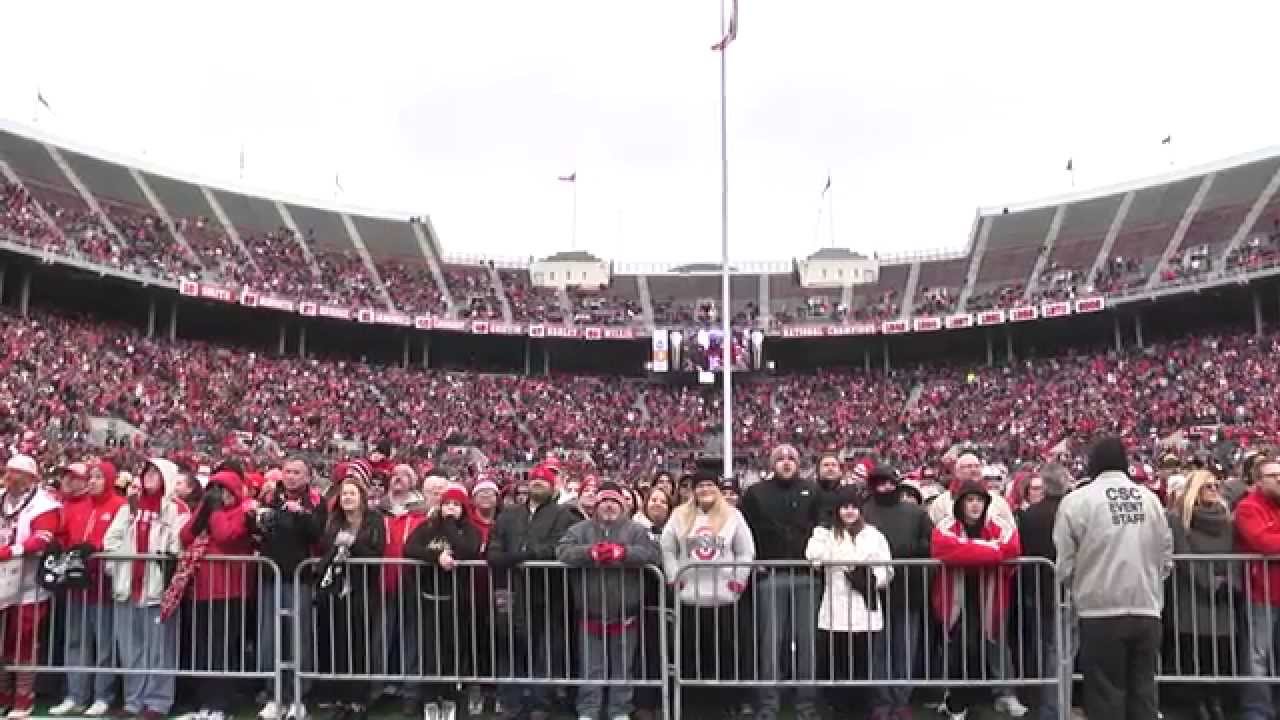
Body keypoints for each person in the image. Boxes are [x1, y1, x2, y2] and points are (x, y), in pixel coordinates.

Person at [1055, 435, 1172, 720]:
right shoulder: (1149, 500)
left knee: (1106, 692)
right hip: (1146, 606)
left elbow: (1065, 562)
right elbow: (1166, 556)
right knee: (1143, 690)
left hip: (1100, 608)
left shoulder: (1076, 501)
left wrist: (1077, 588)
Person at [557, 481, 661, 720]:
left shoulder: (636, 530)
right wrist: (589, 553)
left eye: (614, 502)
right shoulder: (580, 530)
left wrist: (623, 553)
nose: (609, 506)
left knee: (622, 667)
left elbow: (653, 554)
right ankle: (589, 710)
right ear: (596, 505)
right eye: (604, 501)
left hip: (626, 612)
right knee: (590, 667)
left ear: (622, 505)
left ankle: (619, 709)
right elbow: (562, 551)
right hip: (589, 611)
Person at [486, 462, 578, 720]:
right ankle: (510, 701)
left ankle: (541, 702)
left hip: (548, 592)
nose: (537, 484)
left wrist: (521, 555)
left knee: (545, 648)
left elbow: (557, 547)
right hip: (512, 591)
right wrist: (512, 558)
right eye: (534, 480)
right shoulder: (508, 515)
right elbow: (493, 549)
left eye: (543, 481)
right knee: (509, 646)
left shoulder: (563, 515)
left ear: (552, 487)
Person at [659, 470, 755, 716]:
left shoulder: (733, 515)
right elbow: (667, 548)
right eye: (699, 486)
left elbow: (745, 551)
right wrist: (673, 577)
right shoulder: (680, 515)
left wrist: (739, 580)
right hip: (690, 599)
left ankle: (724, 705)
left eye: (709, 485)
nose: (704, 490)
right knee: (690, 654)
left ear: (717, 488)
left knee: (725, 654)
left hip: (723, 599)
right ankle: (692, 706)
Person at [740, 443, 823, 720]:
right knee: (770, 645)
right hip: (770, 577)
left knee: (807, 643)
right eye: (780, 458)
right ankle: (768, 704)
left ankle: (806, 705)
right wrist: (755, 564)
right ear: (771, 464)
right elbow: (744, 532)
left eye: (791, 458)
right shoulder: (755, 494)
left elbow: (822, 529)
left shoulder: (813, 491)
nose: (786, 462)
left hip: (806, 577)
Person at [102, 458, 188, 720]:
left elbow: (177, 545)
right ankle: (133, 702)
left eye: (155, 471)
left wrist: (159, 563)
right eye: (146, 471)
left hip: (156, 589)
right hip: (127, 587)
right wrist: (124, 562)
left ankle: (157, 703)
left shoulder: (176, 509)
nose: (149, 475)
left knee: (159, 650)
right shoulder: (129, 507)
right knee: (130, 648)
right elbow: (110, 539)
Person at [931, 480, 1022, 720]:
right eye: (970, 500)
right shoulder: (945, 526)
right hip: (956, 601)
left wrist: (970, 550)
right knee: (957, 649)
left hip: (992, 598)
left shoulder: (999, 525)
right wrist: (991, 551)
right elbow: (944, 549)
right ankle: (954, 701)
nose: (975, 505)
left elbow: (1011, 549)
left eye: (979, 500)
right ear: (960, 503)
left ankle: (1004, 695)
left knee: (997, 646)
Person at [805, 485, 892, 712]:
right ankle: (836, 709)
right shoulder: (824, 533)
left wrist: (871, 580)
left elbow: (887, 568)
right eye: (844, 507)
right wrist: (849, 562)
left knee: (862, 665)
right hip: (835, 611)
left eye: (854, 507)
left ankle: (861, 710)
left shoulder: (874, 535)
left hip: (865, 610)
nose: (849, 512)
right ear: (837, 510)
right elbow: (814, 557)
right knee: (836, 665)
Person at [178, 465, 255, 720]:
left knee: (221, 649)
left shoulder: (243, 512)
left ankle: (220, 704)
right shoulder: (210, 509)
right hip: (202, 590)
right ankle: (204, 703)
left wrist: (216, 511)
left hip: (229, 591)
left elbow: (225, 536)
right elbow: (185, 535)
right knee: (202, 648)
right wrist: (203, 511)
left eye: (222, 490)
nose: (217, 495)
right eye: (213, 490)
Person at [49, 461, 123, 717]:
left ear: (110, 480)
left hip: (103, 587)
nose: (93, 481)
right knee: (75, 641)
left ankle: (103, 695)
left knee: (103, 645)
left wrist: (97, 549)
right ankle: (76, 694)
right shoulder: (74, 506)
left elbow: (118, 540)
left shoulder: (118, 506)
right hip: (75, 586)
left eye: (99, 477)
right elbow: (62, 535)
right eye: (91, 477)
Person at [404, 482, 483, 720]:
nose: (450, 508)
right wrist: (436, 556)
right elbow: (409, 548)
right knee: (429, 652)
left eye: (456, 505)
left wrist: (449, 525)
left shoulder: (470, 530)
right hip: (428, 599)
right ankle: (429, 699)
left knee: (453, 652)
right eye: (447, 504)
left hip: (456, 600)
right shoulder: (427, 527)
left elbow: (468, 551)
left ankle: (450, 698)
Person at [252, 459, 322, 720]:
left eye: (297, 473)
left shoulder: (315, 502)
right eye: (288, 472)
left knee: (298, 638)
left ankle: (298, 697)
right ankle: (274, 696)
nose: (291, 477)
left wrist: (300, 514)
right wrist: (257, 517)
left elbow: (318, 534)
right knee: (271, 638)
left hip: (300, 579)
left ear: (307, 476)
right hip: (272, 577)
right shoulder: (270, 498)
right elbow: (257, 531)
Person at [862, 464, 933, 720]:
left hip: (908, 590)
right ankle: (881, 700)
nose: (886, 488)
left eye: (890, 483)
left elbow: (930, 543)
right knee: (878, 650)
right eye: (880, 484)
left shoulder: (915, 513)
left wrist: (905, 550)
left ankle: (901, 700)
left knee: (905, 648)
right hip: (874, 592)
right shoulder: (864, 512)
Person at [315, 471, 386, 720]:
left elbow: (377, 556)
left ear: (362, 497)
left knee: (359, 643)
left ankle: (358, 699)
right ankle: (336, 697)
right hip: (334, 590)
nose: (347, 498)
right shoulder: (333, 521)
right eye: (343, 494)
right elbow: (324, 552)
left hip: (362, 590)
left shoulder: (374, 521)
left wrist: (353, 544)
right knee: (334, 643)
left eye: (352, 494)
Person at [1168, 470, 1236, 720]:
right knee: (1196, 654)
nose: (1214, 489)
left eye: (1216, 485)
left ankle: (1215, 701)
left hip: (1223, 597)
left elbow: (1236, 555)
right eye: (1207, 486)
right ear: (1195, 490)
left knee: (1219, 655)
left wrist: (1229, 583)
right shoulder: (1178, 520)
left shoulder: (1227, 520)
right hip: (1193, 598)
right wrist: (1208, 583)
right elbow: (1184, 558)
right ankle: (1198, 704)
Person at [0, 454, 61, 719]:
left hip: (27, 585)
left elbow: (43, 537)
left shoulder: (44, 503)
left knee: (23, 642)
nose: (10, 478)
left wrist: (11, 550)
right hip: (1, 582)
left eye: (16, 473)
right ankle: (3, 694)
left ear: (31, 478)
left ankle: (23, 697)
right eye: (8, 472)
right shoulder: (2, 496)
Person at [1015, 463, 1071, 720]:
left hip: (1040, 591)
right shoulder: (1073, 510)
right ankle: (1055, 708)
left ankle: (1050, 705)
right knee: (1061, 652)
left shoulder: (1030, 515)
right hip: (1067, 590)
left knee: (1050, 650)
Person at [1231, 448, 1280, 720]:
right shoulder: (1248, 507)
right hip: (1261, 595)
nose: (1279, 480)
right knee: (1257, 658)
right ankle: (1257, 712)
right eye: (1273, 476)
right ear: (1259, 481)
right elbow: (1263, 542)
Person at [375, 463, 428, 713]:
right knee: (380, 637)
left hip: (412, 583)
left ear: (413, 481)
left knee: (412, 638)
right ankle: (377, 687)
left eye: (404, 476)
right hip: (382, 582)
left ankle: (410, 691)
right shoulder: (378, 510)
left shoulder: (423, 512)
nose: (397, 479)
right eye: (394, 475)